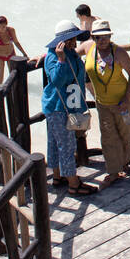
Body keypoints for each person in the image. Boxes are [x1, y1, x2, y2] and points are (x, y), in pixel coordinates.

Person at [42, 21, 97, 196]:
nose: (74, 41)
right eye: (72, 38)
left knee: (55, 143)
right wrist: (60, 60)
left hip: (67, 106)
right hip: (58, 107)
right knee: (66, 145)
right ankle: (74, 184)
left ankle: (58, 176)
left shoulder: (71, 53)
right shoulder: (55, 56)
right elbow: (57, 80)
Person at [84, 20, 130, 188]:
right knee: (108, 137)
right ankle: (113, 171)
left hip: (124, 103)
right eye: (99, 37)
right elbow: (70, 51)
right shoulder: (88, 48)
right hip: (103, 104)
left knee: (125, 133)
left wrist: (126, 99)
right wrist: (46, 56)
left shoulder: (119, 52)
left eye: (106, 36)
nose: (103, 40)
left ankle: (126, 162)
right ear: (92, 37)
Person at [0, 16, 28, 83]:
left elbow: (16, 42)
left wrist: (24, 53)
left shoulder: (11, 30)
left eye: (3, 27)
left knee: (13, 77)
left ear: (6, 25)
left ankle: (14, 92)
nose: (1, 29)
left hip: (11, 55)